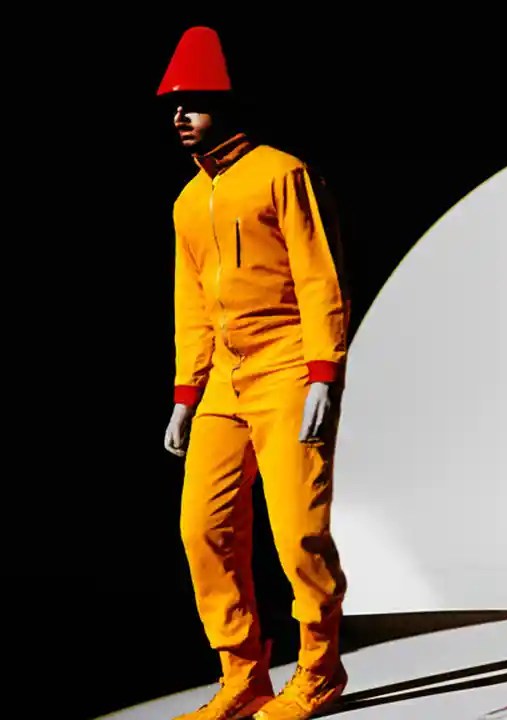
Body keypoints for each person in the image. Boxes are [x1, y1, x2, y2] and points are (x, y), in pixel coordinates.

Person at [157, 26, 351, 720]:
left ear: (229, 104)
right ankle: (243, 673)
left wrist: (324, 372)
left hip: (289, 365)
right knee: (202, 529)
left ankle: (321, 669)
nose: (180, 116)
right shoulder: (187, 201)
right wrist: (186, 393)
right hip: (221, 382)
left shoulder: (281, 171)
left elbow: (318, 272)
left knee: (298, 530)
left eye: (196, 103)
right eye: (174, 105)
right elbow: (191, 305)